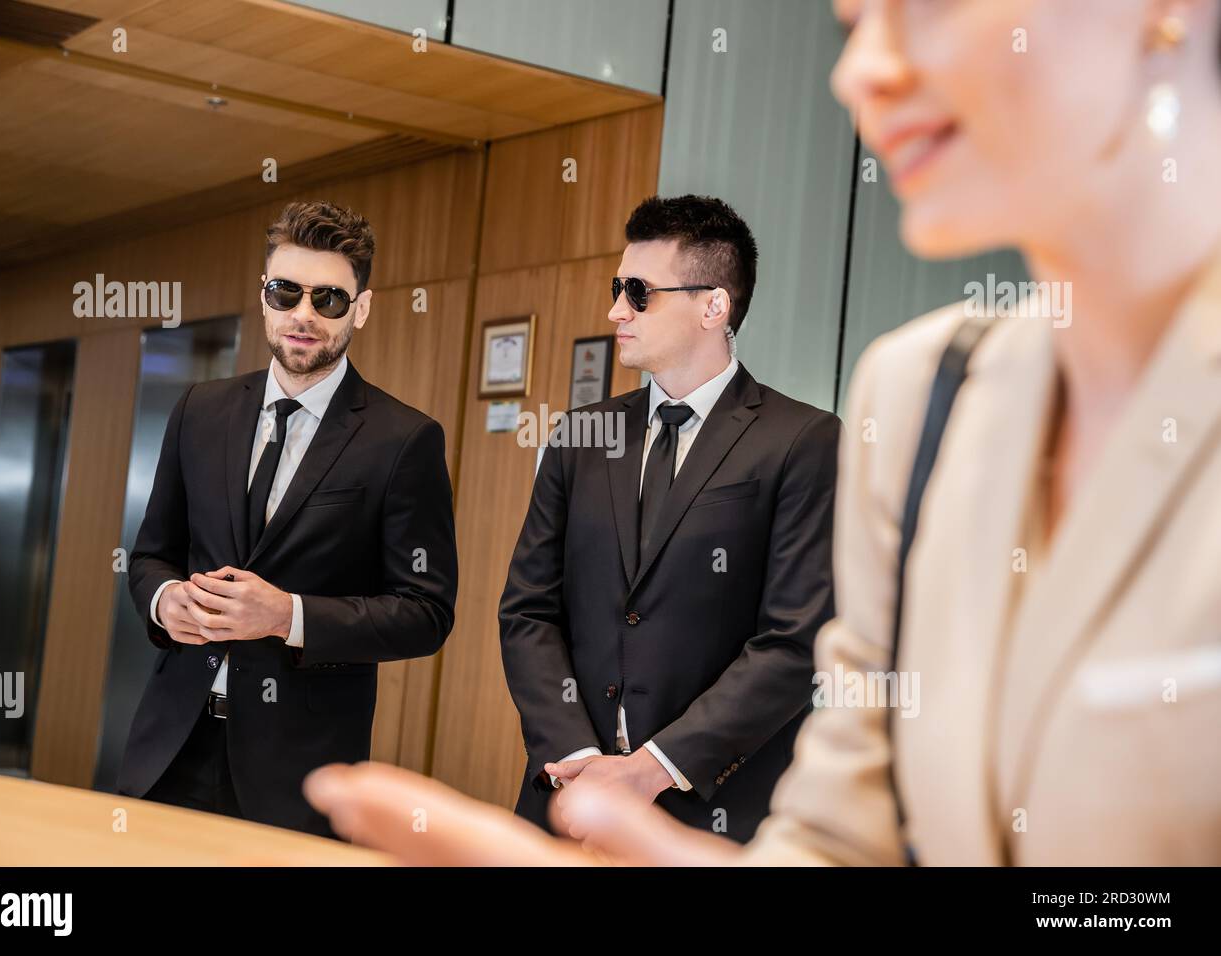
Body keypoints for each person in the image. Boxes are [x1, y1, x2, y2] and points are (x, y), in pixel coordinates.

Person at [305, 0, 1221, 864]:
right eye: (855, 23)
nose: (859, 72)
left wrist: (659, 779)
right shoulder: (921, 395)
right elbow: (840, 840)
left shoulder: (808, 436)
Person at [500, 195, 840, 843]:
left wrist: (653, 768)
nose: (615, 311)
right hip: (565, 798)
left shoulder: (804, 440)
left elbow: (795, 643)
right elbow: (527, 611)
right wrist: (576, 757)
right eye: (615, 288)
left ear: (713, 305)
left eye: (638, 292)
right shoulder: (581, 435)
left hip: (716, 810)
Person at [117, 200, 457, 838]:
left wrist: (287, 616)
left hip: (298, 774)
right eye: (286, 293)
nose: (304, 315)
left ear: (361, 308)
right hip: (168, 748)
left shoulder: (404, 440)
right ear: (264, 297)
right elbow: (149, 555)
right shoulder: (200, 409)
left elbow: (425, 613)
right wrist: (165, 601)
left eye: (329, 299)